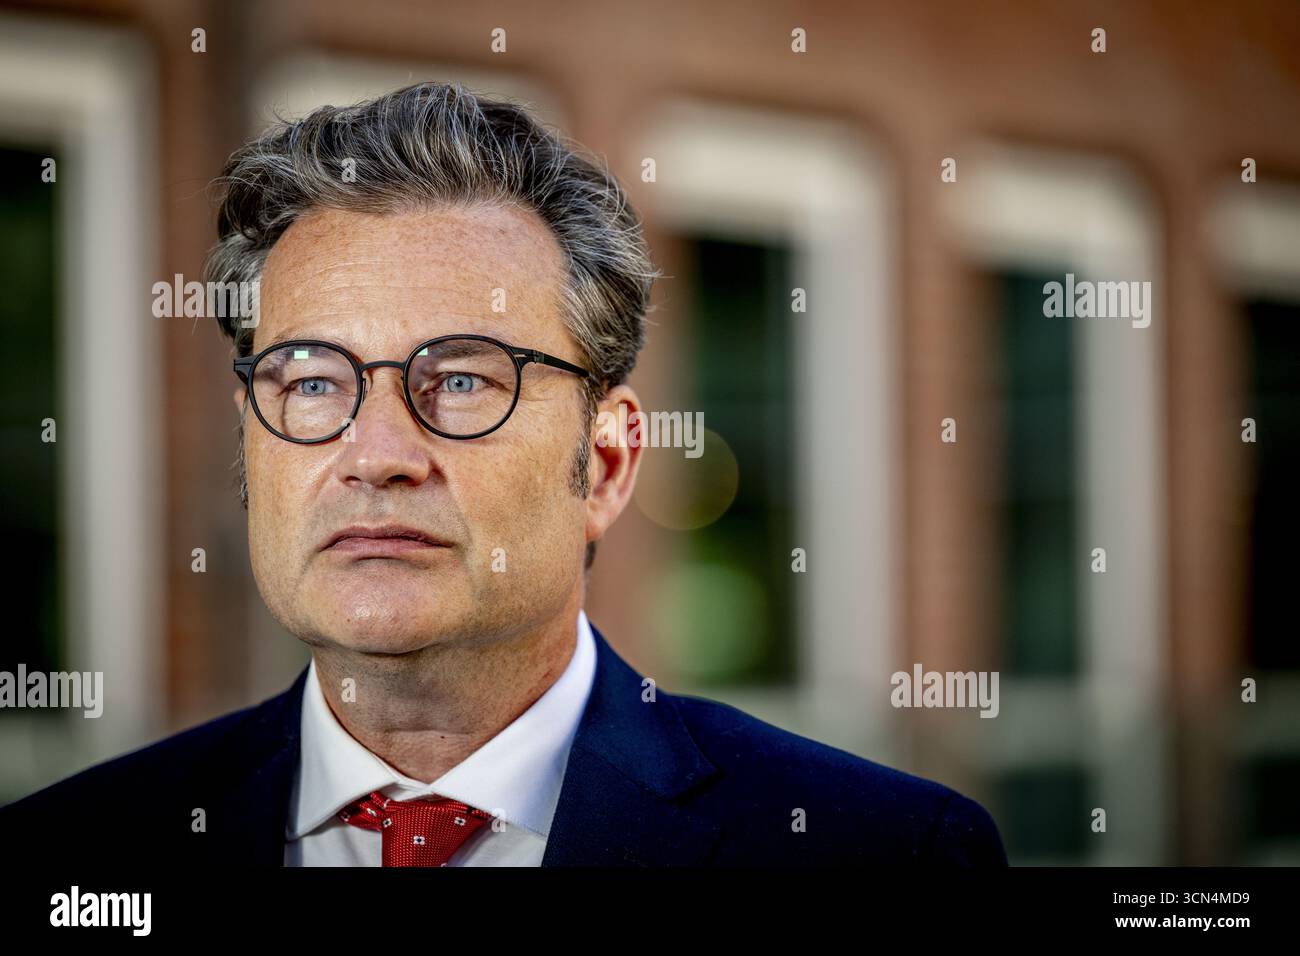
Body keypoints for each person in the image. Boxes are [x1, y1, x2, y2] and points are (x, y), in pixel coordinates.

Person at [0, 81, 1007, 866]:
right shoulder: (67, 852)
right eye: (310, 384)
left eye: (464, 380)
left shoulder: (875, 849)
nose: (378, 453)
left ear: (605, 460)